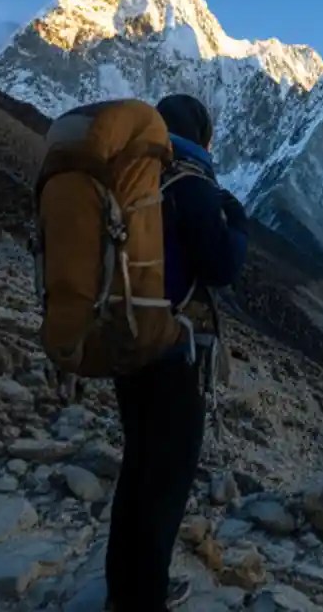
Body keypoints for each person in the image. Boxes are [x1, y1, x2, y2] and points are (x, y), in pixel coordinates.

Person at [105, 94, 248, 611]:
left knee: (139, 467)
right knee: (167, 481)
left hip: (124, 340)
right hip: (173, 350)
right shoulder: (190, 181)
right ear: (202, 134)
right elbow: (220, 267)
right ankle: (142, 601)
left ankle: (127, 591)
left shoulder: (128, 176)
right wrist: (238, 224)